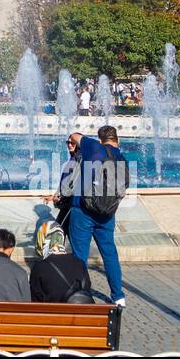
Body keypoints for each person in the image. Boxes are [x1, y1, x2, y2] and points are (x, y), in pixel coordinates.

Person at [67, 125, 128, 306]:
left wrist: (84, 141)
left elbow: (74, 135)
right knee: (109, 254)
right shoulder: (121, 158)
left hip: (82, 210)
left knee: (80, 256)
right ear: (118, 140)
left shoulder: (94, 146)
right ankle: (118, 296)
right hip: (107, 213)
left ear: (100, 139)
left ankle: (82, 293)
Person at [29, 221, 93, 303]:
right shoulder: (80, 263)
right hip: (81, 313)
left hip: (52, 314)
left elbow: (35, 301)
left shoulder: (39, 267)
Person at [43, 132, 82, 238]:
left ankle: (59, 253)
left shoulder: (79, 159)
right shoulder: (73, 158)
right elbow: (65, 183)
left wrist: (60, 197)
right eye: (68, 142)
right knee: (62, 231)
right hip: (68, 202)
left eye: (72, 143)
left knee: (59, 232)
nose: (69, 145)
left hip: (71, 204)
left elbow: (75, 183)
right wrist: (55, 196)